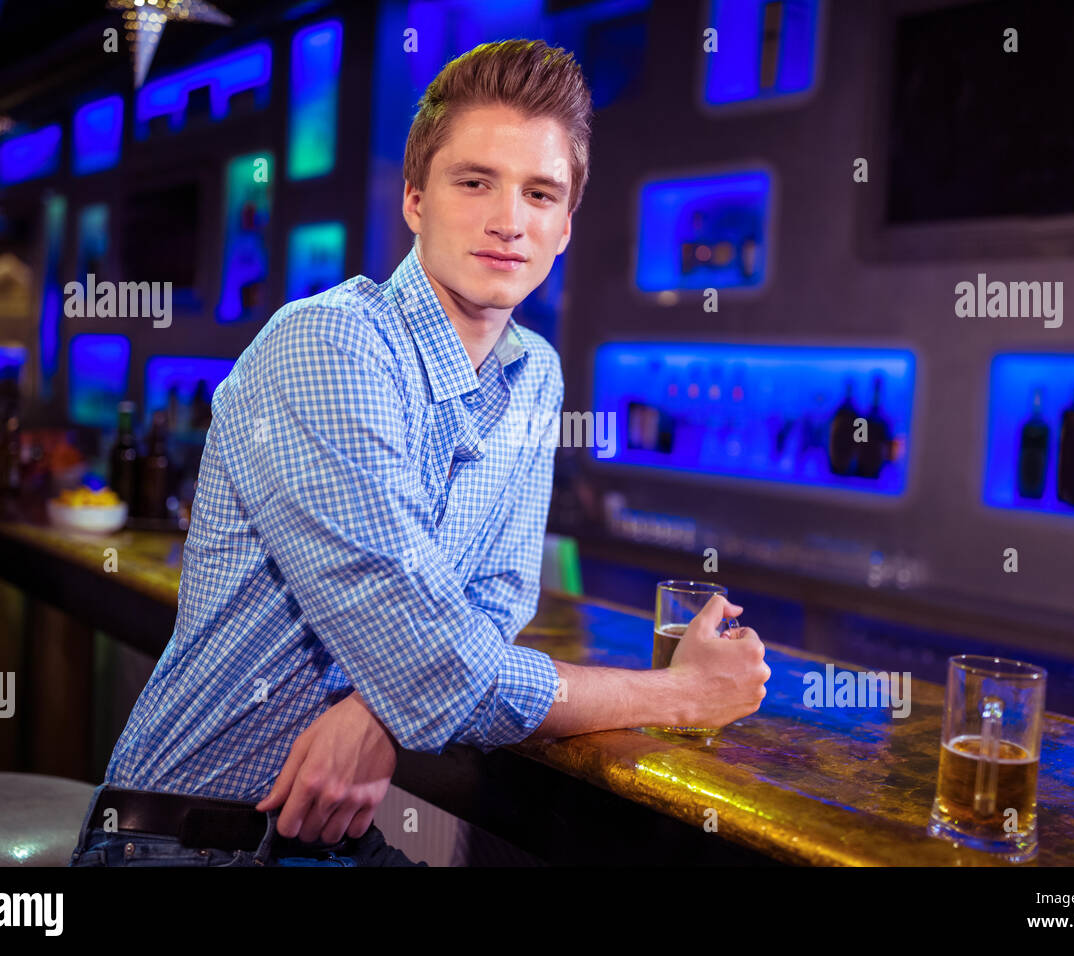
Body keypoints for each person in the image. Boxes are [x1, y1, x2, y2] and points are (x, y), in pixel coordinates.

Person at [70, 38, 769, 868]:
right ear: (413, 199)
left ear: (566, 226)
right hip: (183, 838)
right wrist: (683, 695)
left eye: (540, 193)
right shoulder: (330, 344)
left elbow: (500, 594)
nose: (509, 219)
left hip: (323, 844)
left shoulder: (533, 373)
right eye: (474, 181)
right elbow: (439, 666)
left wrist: (378, 708)